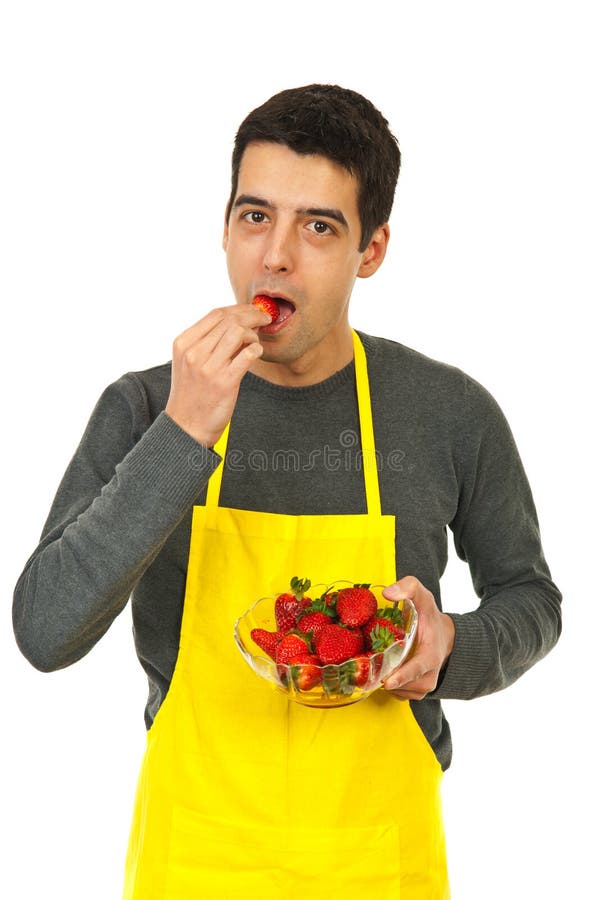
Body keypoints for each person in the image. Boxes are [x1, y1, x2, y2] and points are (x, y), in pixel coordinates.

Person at [13, 84, 561, 899]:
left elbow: (531, 600)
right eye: (254, 216)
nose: (275, 256)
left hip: (379, 857)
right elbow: (44, 633)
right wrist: (182, 433)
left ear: (370, 250)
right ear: (226, 227)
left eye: (318, 226)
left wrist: (449, 648)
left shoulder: (448, 411)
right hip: (193, 856)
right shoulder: (144, 407)